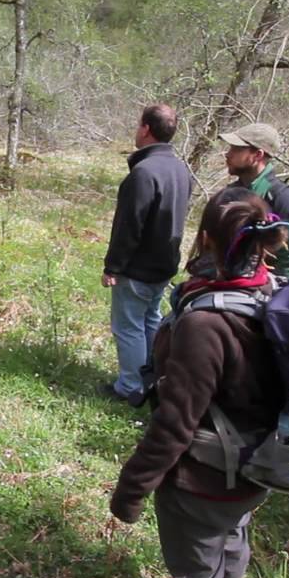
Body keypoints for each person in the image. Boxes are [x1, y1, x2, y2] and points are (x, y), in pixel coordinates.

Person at [109, 192, 288, 578]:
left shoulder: (206, 324)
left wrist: (131, 490)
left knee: (195, 571)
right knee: (232, 540)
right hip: (258, 465)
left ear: (206, 238)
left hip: (204, 477)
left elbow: (175, 422)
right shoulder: (273, 291)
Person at [101, 104, 193, 407]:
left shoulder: (143, 173)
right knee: (150, 320)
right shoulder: (180, 168)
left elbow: (129, 227)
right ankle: (153, 378)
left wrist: (113, 266)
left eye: (138, 124)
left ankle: (130, 388)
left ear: (146, 129)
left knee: (128, 326)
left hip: (138, 268)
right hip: (164, 264)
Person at [219, 123, 289, 278]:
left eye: (236, 149)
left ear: (258, 155)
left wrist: (270, 291)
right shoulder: (230, 192)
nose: (228, 154)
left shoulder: (283, 198)